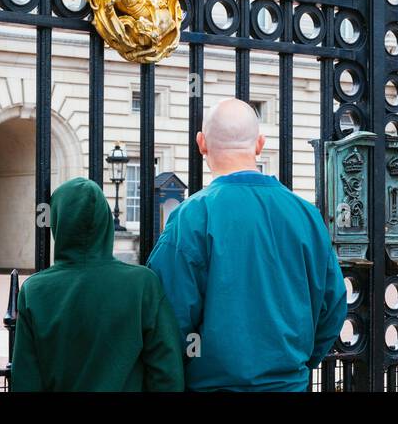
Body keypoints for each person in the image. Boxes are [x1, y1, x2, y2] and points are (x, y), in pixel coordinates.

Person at [147, 98, 348, 391]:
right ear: (259, 144)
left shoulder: (190, 217)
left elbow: (169, 320)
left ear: (201, 143)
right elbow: (332, 306)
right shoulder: (305, 215)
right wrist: (298, 363)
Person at [11, 177, 184, 391]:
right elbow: (166, 373)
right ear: (106, 222)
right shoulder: (142, 284)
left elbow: (26, 379)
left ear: (58, 222)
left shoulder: (34, 290)